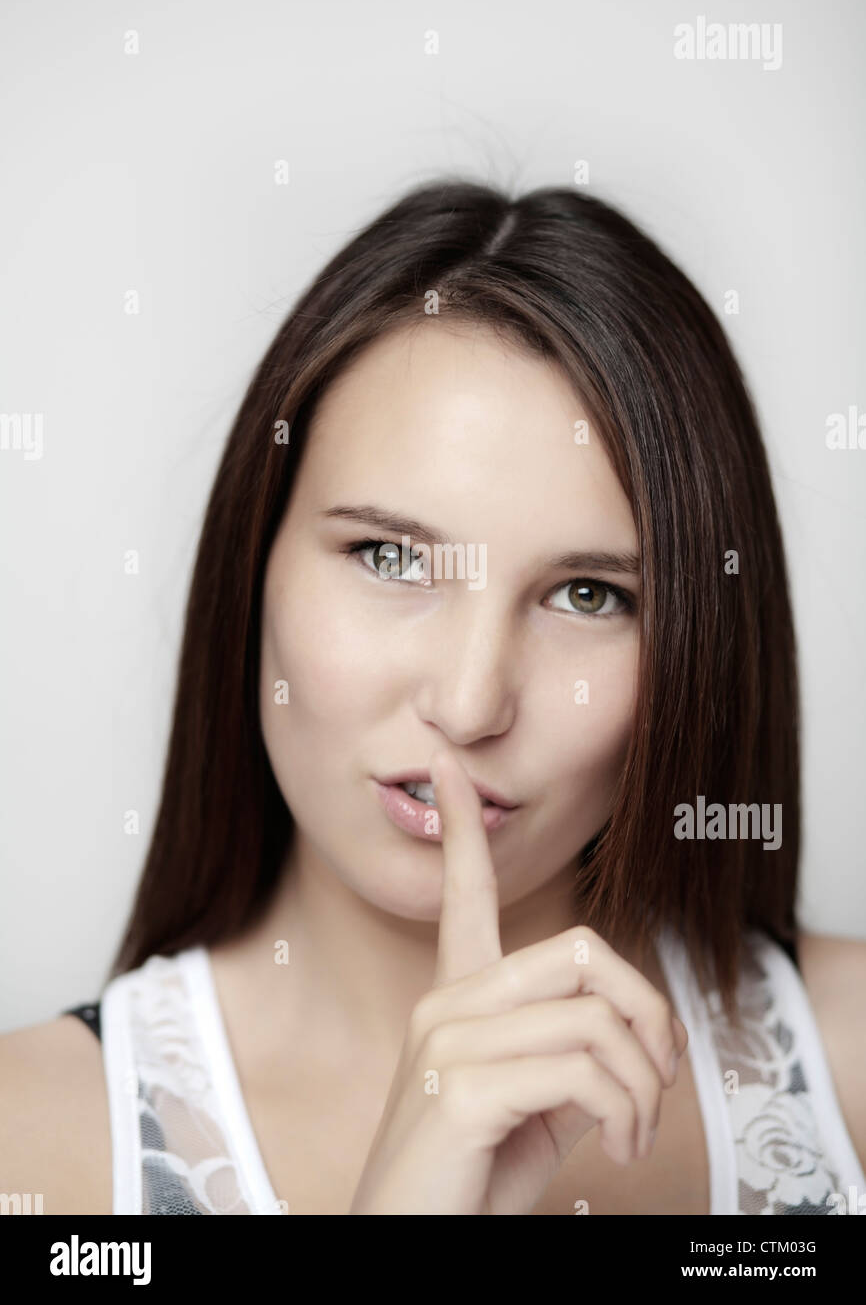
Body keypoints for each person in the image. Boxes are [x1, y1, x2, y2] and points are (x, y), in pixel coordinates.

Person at [2, 180, 864, 1216]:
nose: (467, 705)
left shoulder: (845, 1068)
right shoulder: (30, 1148)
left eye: (587, 595)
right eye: (389, 557)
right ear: (253, 562)